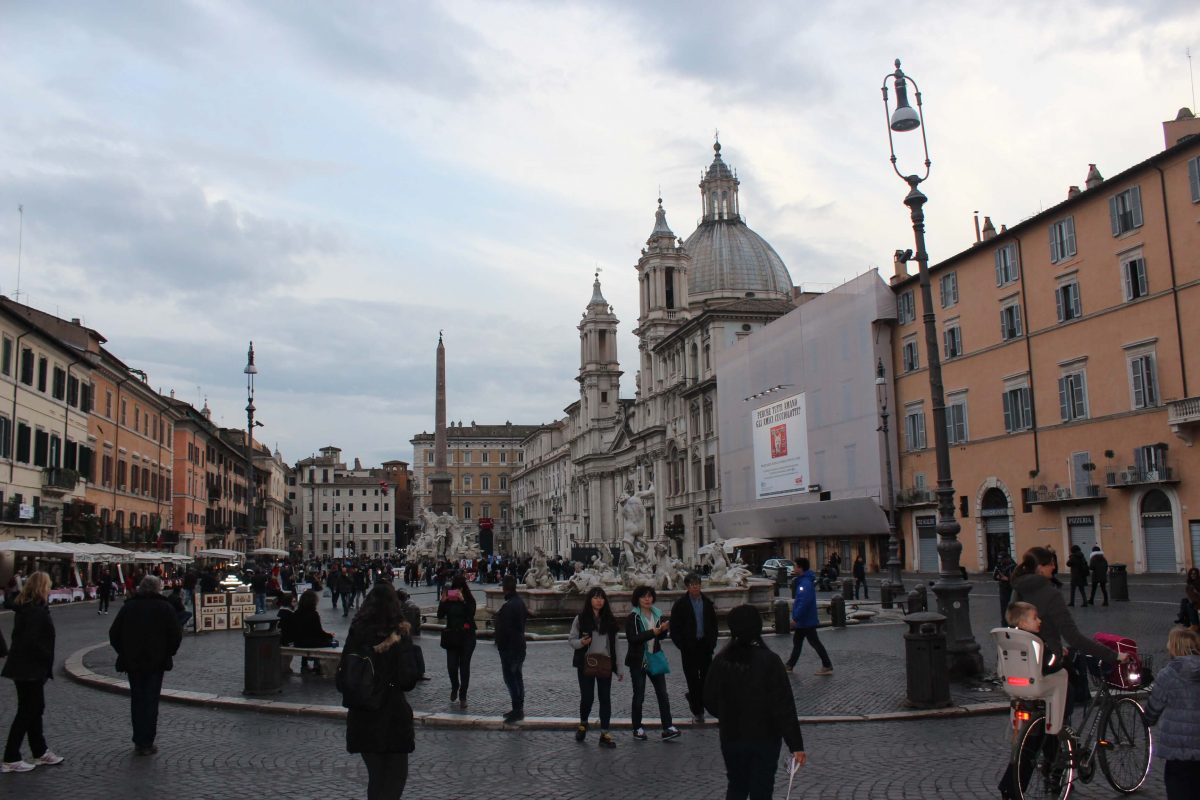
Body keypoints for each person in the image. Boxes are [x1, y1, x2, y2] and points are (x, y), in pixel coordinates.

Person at [1001, 546, 1124, 798]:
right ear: (1041, 567)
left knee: (1040, 729)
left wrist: (1051, 648)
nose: (1054, 568)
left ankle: (1027, 778)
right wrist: (1112, 655)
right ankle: (1057, 769)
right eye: (1051, 564)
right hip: (1048, 668)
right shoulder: (1049, 593)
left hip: (1024, 666)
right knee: (1062, 712)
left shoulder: (1017, 588)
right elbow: (1075, 637)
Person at [704, 604, 805, 800]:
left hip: (732, 736)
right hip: (765, 738)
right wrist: (796, 745)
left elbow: (709, 699)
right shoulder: (770, 660)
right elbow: (783, 706)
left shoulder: (721, 660)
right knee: (762, 790)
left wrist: (726, 714)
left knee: (736, 787)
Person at [345, 583, 421, 800]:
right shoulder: (399, 633)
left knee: (376, 780)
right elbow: (408, 679)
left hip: (362, 716)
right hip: (391, 717)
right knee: (394, 781)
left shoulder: (356, 632)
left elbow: (345, 676)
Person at [108, 574, 184, 756]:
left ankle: (138, 739)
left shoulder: (130, 607)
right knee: (151, 701)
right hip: (156, 663)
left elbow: (114, 633)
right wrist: (167, 653)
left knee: (137, 700)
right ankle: (147, 742)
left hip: (133, 662)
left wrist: (124, 652)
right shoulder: (164, 607)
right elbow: (175, 635)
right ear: (158, 588)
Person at [1, 572, 63, 773]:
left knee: (34, 709)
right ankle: (11, 756)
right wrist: (45, 660)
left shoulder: (27, 607)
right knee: (28, 711)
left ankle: (40, 751)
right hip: (30, 668)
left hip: (23, 666)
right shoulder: (36, 611)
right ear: (42, 587)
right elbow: (34, 642)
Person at [1143, 627, 1200, 800]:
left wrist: (1148, 718)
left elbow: (1152, 710)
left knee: (1178, 790)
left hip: (1177, 750)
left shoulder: (1168, 674)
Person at [568, 586, 623, 748]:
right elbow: (571, 640)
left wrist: (619, 668)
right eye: (595, 597)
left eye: (601, 598)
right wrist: (581, 643)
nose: (599, 600)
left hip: (605, 663)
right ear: (590, 600)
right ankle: (583, 724)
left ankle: (605, 733)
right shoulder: (580, 619)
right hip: (586, 663)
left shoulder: (610, 620)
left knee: (605, 698)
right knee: (587, 697)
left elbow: (617, 647)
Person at [625, 585, 679, 741]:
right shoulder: (633, 617)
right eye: (643, 596)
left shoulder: (658, 614)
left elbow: (660, 638)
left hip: (654, 658)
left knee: (662, 694)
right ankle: (637, 728)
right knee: (639, 695)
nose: (647, 599)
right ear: (637, 599)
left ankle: (668, 727)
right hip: (638, 661)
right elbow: (633, 638)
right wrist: (653, 632)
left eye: (649, 596)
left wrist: (663, 630)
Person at [1005, 602, 1069, 733]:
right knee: (1063, 677)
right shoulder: (1034, 640)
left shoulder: (1007, 637)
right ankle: (1057, 724)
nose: (1039, 620)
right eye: (1035, 618)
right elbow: (1048, 665)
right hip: (1035, 685)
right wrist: (1058, 656)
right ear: (1023, 623)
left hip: (1012, 684)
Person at [669, 572, 718, 724]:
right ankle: (698, 710)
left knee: (706, 679)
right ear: (687, 587)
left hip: (705, 646)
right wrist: (681, 645)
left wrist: (712, 642)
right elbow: (674, 627)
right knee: (692, 679)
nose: (695, 587)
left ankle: (697, 701)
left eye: (697, 584)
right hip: (689, 648)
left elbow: (713, 625)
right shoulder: (680, 604)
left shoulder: (707, 603)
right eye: (692, 585)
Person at [786, 558, 833, 676]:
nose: (793, 568)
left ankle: (827, 665)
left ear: (800, 568)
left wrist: (795, 617)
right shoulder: (804, 581)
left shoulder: (804, 583)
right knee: (798, 642)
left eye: (795, 566)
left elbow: (803, 602)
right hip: (804, 620)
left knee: (814, 643)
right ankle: (790, 665)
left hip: (805, 620)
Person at [436, 575, 477, 709]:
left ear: (463, 588)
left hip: (467, 637)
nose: (457, 591)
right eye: (455, 588)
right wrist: (443, 601)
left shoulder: (469, 599)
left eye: (459, 588)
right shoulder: (449, 599)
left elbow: (471, 613)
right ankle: (455, 686)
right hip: (452, 636)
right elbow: (440, 615)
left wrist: (463, 600)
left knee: (464, 667)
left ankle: (463, 695)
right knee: (451, 666)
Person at [494, 575, 528, 723]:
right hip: (519, 645)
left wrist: (500, 643)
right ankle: (519, 707)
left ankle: (517, 709)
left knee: (510, 678)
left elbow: (505, 629)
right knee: (517, 676)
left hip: (510, 647)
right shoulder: (520, 602)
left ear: (505, 588)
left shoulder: (508, 606)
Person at [280, 589, 336, 673]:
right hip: (310, 642)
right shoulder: (314, 614)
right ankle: (317, 665)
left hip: (298, 642)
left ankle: (304, 665)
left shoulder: (296, 613)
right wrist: (330, 635)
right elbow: (318, 632)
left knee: (311, 640)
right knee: (330, 642)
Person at [993, 551, 1016, 625]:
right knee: (1003, 608)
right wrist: (1000, 577)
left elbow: (1015, 577)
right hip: (1003, 589)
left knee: (1012, 606)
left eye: (1001, 559)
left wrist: (1007, 578)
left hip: (1011, 588)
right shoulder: (999, 565)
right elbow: (994, 576)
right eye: (999, 559)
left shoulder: (1013, 566)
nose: (1000, 561)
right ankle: (1004, 623)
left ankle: (1012, 623)